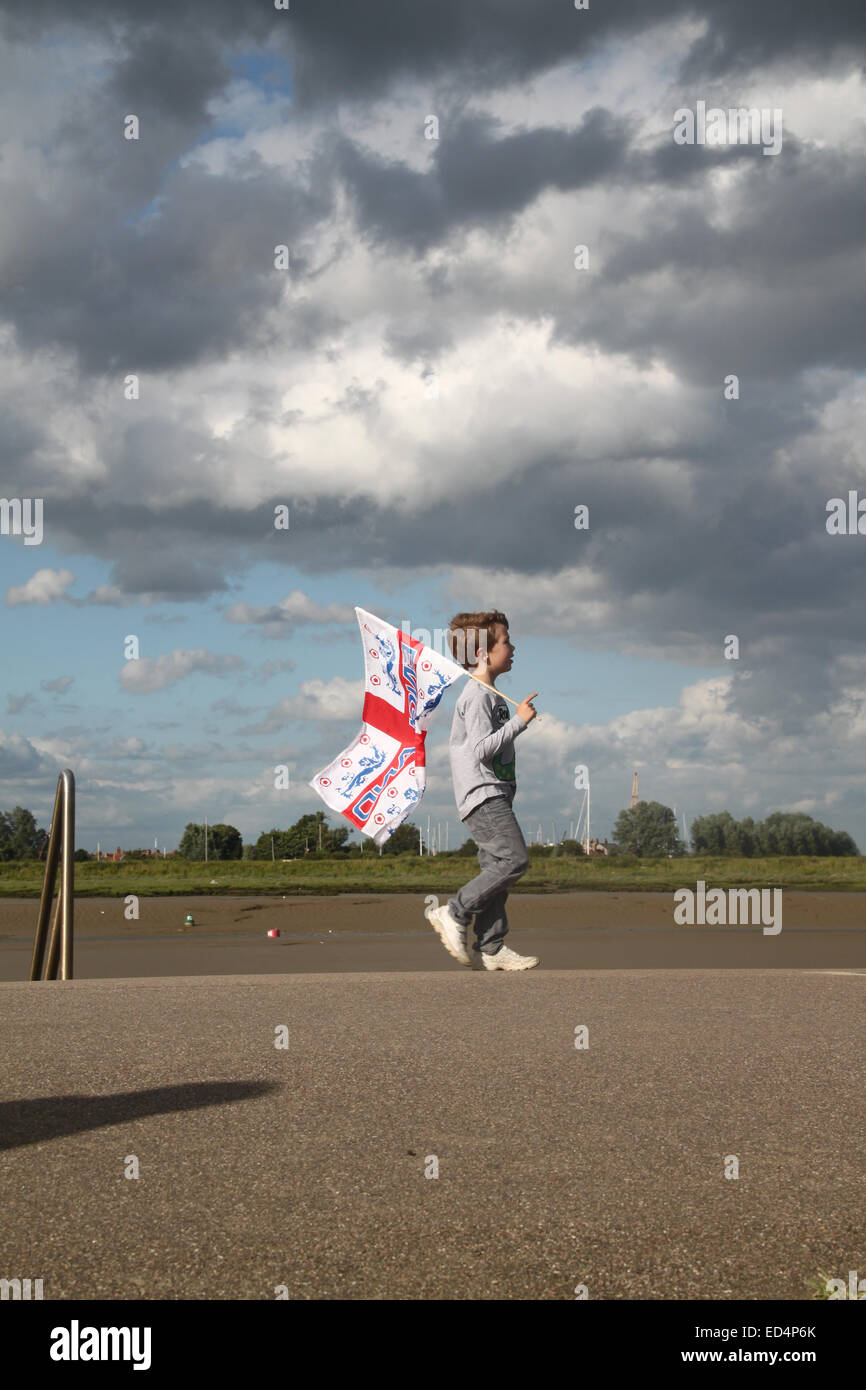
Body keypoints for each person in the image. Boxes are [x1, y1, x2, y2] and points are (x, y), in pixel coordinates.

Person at [425, 610, 540, 971]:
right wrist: (520, 722)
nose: (512, 646)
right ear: (482, 653)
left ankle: (491, 947)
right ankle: (454, 911)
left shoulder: (491, 694)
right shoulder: (477, 695)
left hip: (495, 793)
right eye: (505, 641)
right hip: (483, 795)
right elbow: (480, 750)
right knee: (514, 860)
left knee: (496, 870)